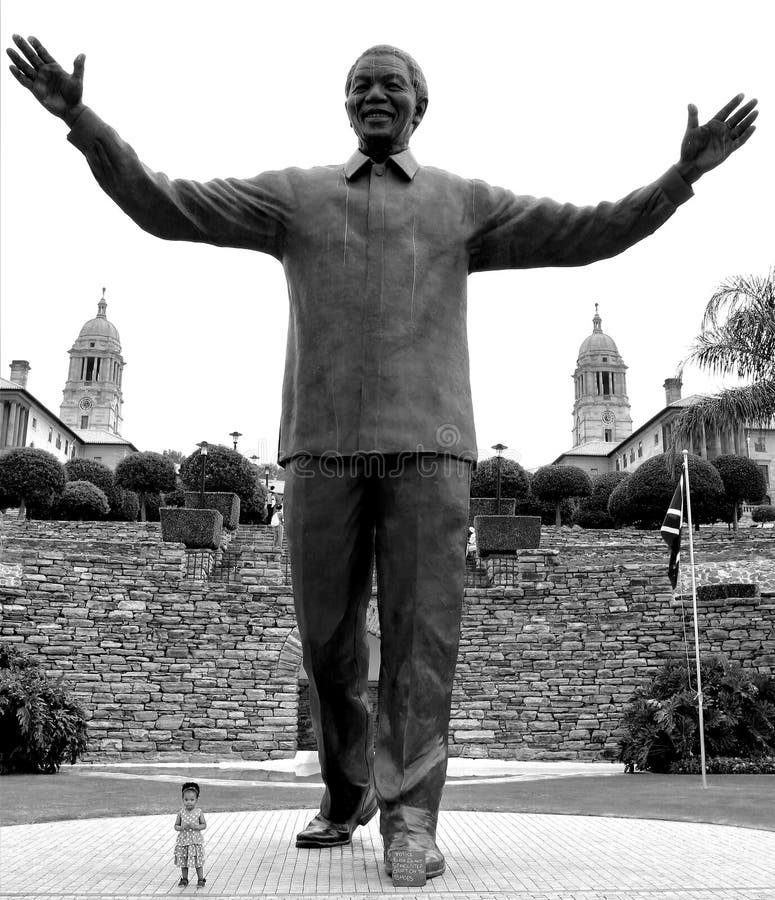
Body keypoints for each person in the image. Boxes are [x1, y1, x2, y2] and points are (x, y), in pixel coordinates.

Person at [6, 36, 758, 879]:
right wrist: (82, 121)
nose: (374, 94)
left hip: (431, 452)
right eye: (360, 83)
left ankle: (410, 819)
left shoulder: (461, 203)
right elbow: (164, 203)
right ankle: (347, 787)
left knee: (420, 643)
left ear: (418, 107)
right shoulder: (294, 197)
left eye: (391, 85)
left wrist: (679, 177)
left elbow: (591, 230)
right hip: (320, 450)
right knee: (326, 645)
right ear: (343, 102)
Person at [174, 781, 207, 888]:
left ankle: (201, 879)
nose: (189, 802)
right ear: (182, 799)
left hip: (195, 842)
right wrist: (181, 827)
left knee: (197, 861)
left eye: (192, 800)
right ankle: (184, 879)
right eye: (186, 800)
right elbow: (176, 826)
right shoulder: (181, 812)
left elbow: (204, 825)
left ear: (196, 800)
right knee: (183, 861)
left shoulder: (198, 812)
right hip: (184, 842)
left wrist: (196, 827)